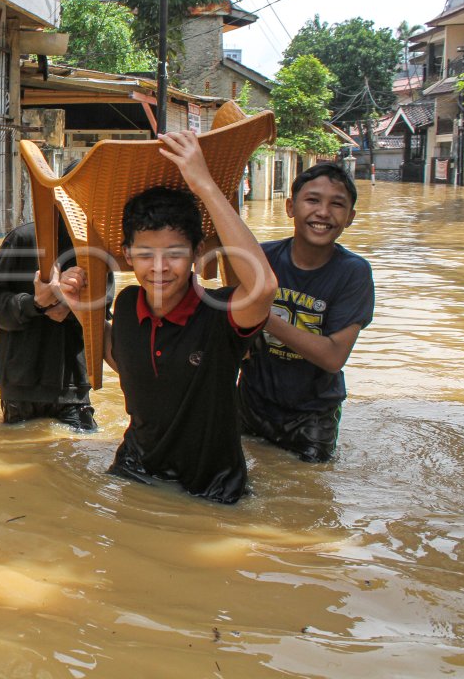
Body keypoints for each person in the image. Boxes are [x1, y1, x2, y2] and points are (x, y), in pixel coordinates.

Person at [104, 130, 277, 504]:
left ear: (198, 252)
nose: (160, 267)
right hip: (135, 472)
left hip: (211, 488)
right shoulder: (128, 303)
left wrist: (205, 186)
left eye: (175, 253)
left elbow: (263, 287)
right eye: (146, 253)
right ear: (127, 254)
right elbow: (125, 361)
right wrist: (71, 304)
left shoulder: (220, 314)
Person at [238, 162, 375, 463]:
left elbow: (333, 357)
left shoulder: (353, 273)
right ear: (290, 207)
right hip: (251, 402)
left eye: (337, 204)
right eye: (312, 200)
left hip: (312, 417)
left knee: (310, 496)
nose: (323, 212)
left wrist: (263, 317)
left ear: (350, 218)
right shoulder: (261, 257)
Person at [0, 216, 99, 432]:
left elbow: (103, 306)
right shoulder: (22, 238)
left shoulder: (94, 245)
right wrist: (34, 303)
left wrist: (71, 309)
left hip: (72, 382)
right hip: (20, 380)